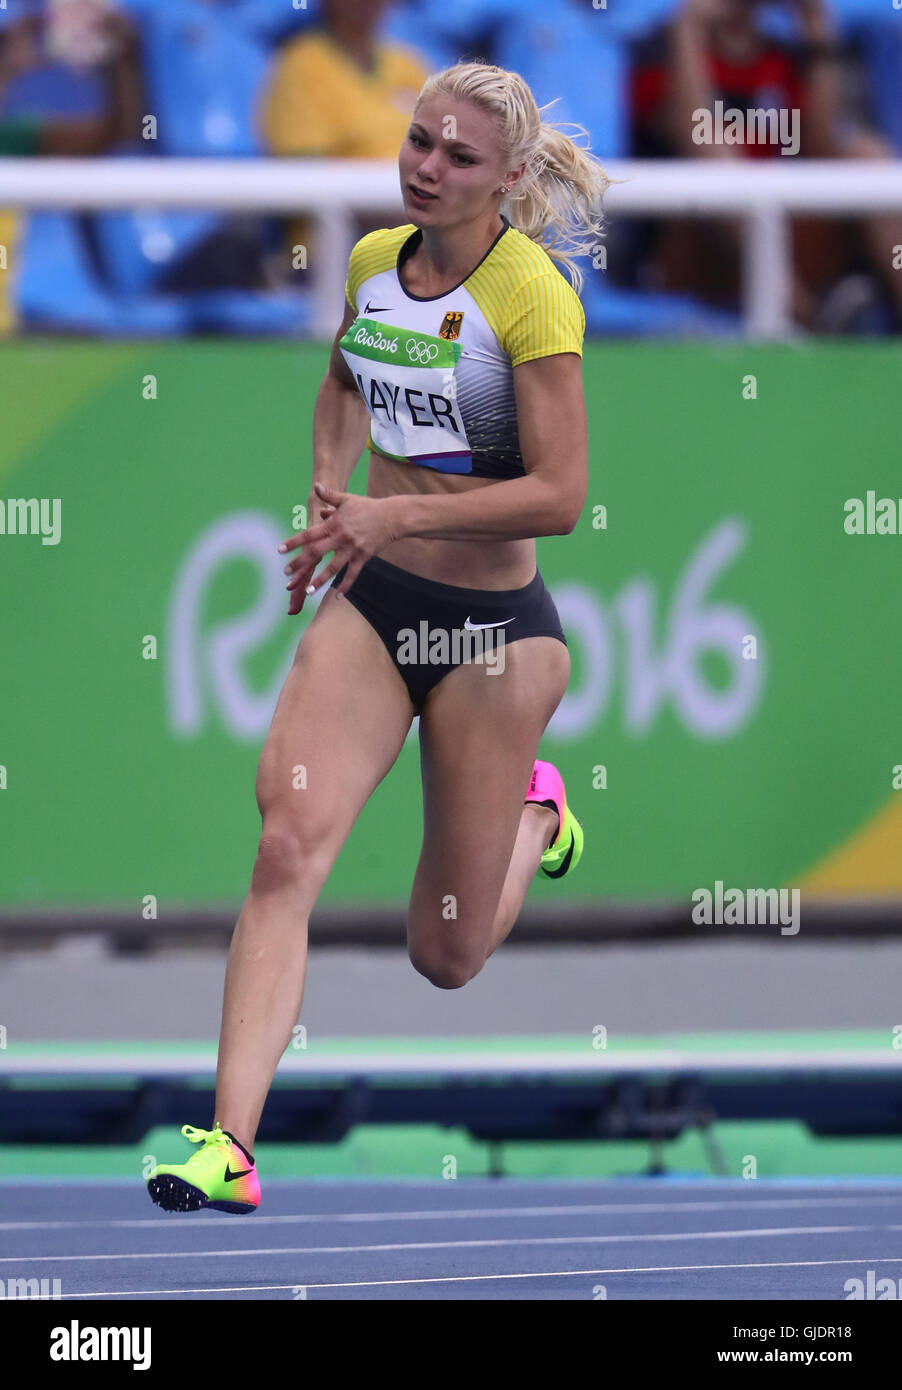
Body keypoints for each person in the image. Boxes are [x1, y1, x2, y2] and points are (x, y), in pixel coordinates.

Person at [147, 58, 607, 1214]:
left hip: (494, 634)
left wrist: (399, 506)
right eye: (417, 141)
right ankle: (230, 1145)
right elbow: (343, 383)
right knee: (284, 844)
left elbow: (559, 494)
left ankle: (535, 810)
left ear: (502, 180)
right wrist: (324, 491)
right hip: (376, 599)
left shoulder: (531, 295)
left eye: (456, 157)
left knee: (442, 953)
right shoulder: (368, 263)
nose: (426, 166)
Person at [632, 0, 902, 331]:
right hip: (698, 244)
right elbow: (692, 133)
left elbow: (819, 148)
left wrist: (819, 36)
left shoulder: (783, 54)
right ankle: (803, 314)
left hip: (786, 235)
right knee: (720, 167)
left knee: (867, 155)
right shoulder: (658, 49)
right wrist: (689, 30)